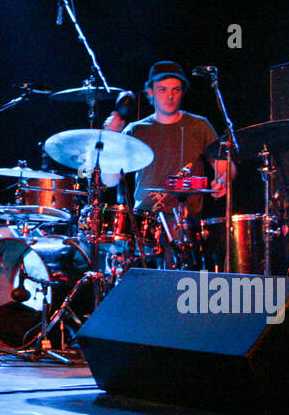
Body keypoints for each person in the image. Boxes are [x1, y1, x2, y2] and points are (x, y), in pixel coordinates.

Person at [100, 62, 233, 265]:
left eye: (175, 90)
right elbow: (109, 180)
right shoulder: (136, 130)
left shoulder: (199, 125)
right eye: (162, 90)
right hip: (144, 224)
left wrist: (222, 180)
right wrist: (110, 137)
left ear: (182, 92)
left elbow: (225, 167)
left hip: (187, 224)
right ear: (150, 92)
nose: (170, 96)